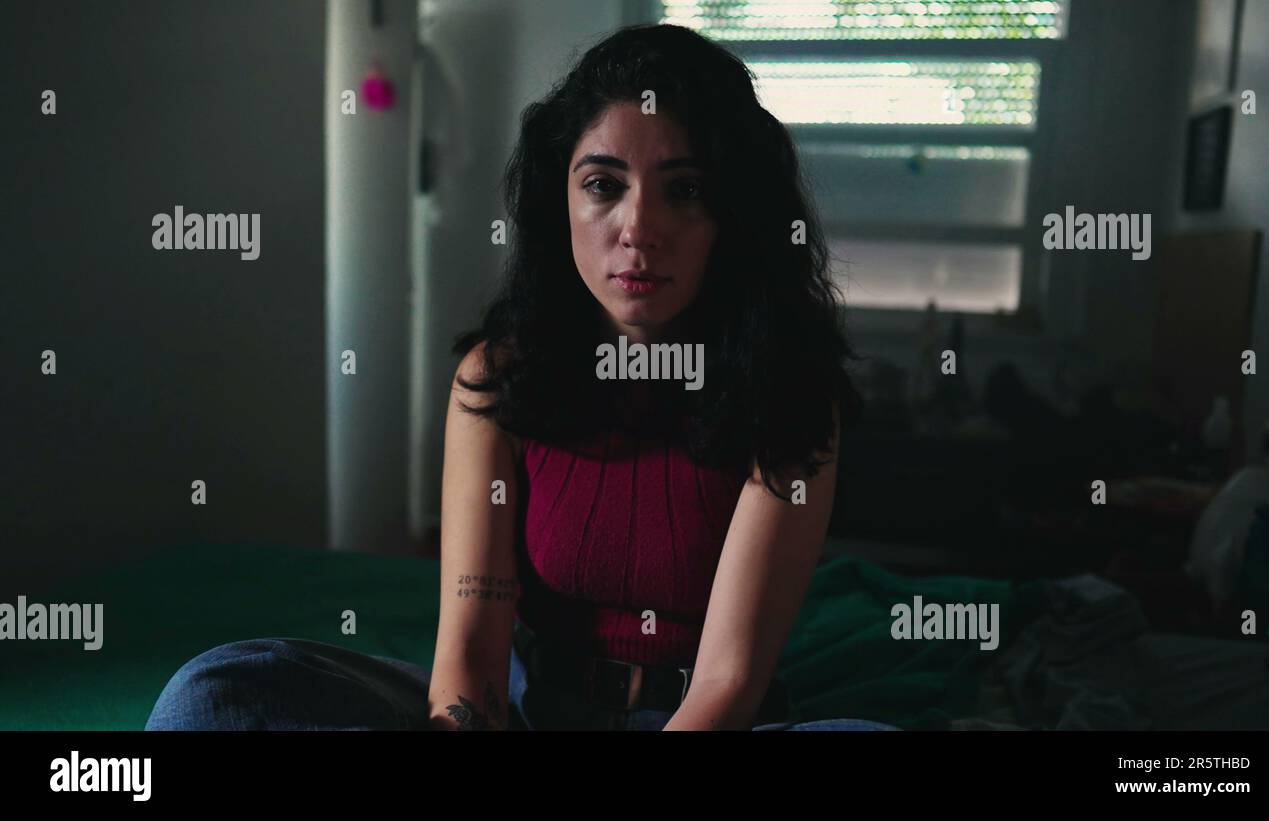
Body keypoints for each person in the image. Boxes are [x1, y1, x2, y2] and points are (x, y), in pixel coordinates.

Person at [146, 23, 894, 732]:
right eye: (603, 185)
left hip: (702, 720)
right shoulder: (500, 377)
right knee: (211, 696)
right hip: (529, 710)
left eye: (686, 190)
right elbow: (470, 658)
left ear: (734, 214)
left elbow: (726, 683)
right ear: (560, 201)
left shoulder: (790, 395)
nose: (638, 229)